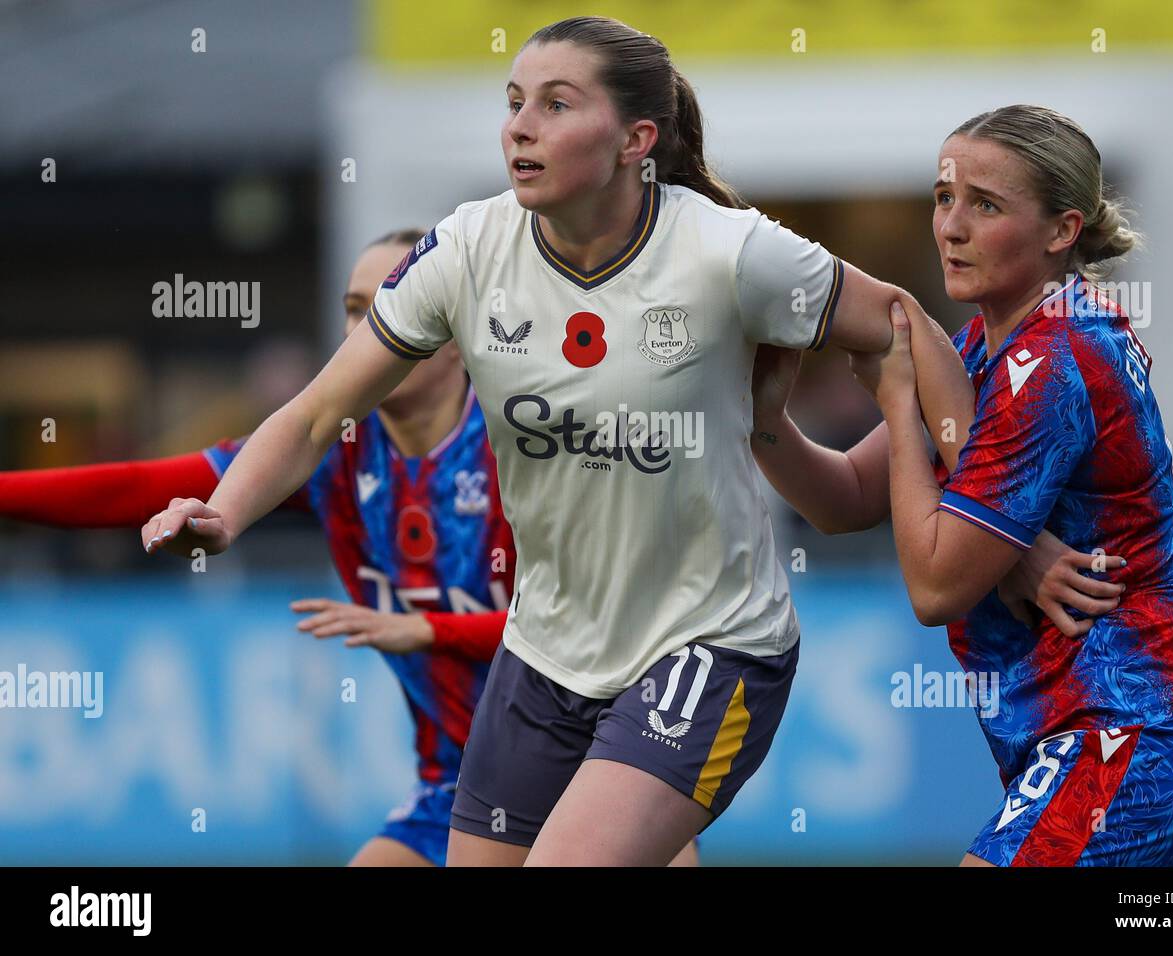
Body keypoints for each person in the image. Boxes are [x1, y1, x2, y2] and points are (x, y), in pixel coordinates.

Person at [141, 15, 972, 866]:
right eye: (512, 104)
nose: (520, 126)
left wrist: (990, 507)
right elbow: (318, 413)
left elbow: (902, 326)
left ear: (634, 140)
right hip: (545, 652)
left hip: (711, 646)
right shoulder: (468, 249)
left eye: (555, 104)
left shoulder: (728, 252)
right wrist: (223, 511)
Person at [772, 105, 1173, 865]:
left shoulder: (1053, 354)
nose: (951, 226)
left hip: (1130, 746)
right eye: (944, 197)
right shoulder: (989, 347)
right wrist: (756, 419)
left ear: (1061, 230)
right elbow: (843, 498)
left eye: (986, 204)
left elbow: (937, 585)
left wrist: (899, 403)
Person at [1, 230, 518, 867]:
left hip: (583, 764)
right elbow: (131, 488)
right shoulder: (331, 452)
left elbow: (580, 628)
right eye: (355, 309)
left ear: (461, 330)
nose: (368, 329)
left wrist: (425, 630)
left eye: (391, 302)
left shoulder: (522, 445)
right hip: (456, 791)